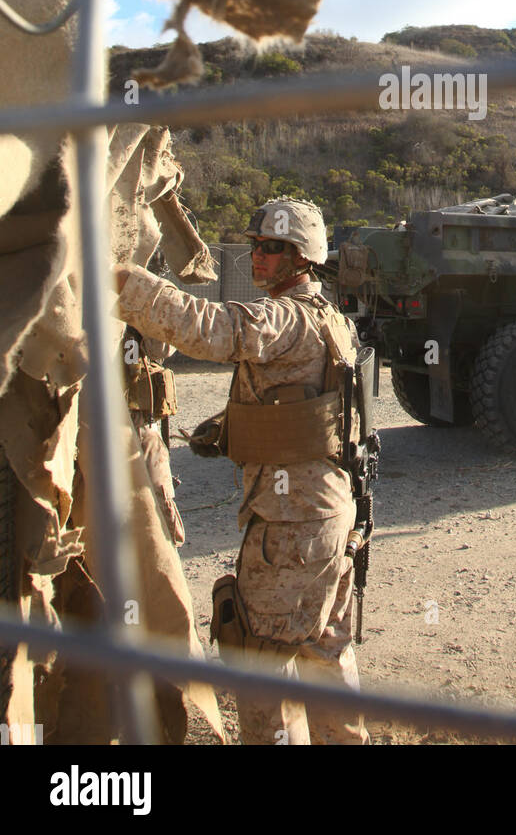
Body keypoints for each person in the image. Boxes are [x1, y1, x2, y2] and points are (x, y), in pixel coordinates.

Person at [114, 197, 369, 745]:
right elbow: (306, 404)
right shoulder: (331, 321)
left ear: (303, 258)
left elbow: (211, 329)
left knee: (259, 657)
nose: (258, 258)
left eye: (273, 249)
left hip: (291, 523)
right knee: (326, 651)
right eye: (255, 246)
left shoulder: (286, 317)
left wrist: (120, 283)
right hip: (328, 513)